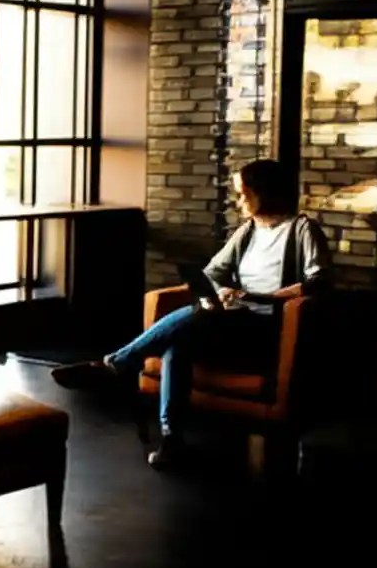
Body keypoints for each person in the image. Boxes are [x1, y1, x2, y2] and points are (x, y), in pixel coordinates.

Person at [51, 159, 333, 469]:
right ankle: (172, 439)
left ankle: (117, 364)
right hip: (230, 320)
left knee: (195, 318)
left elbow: (317, 283)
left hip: (264, 327)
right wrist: (218, 292)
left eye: (243, 193)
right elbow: (214, 271)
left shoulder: (302, 229)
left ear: (263, 192)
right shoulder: (248, 231)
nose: (238, 200)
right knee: (180, 343)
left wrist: (256, 296)